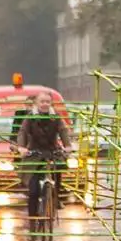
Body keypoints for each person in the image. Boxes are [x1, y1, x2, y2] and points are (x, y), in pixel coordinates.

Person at [16, 92, 72, 230]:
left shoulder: (55, 117)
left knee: (58, 171)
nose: (45, 104)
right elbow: (22, 132)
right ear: (36, 103)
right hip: (35, 153)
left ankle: (55, 198)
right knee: (34, 190)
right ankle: (33, 221)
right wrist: (22, 147)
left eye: (48, 101)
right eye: (42, 101)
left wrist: (68, 146)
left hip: (52, 152)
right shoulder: (30, 118)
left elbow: (63, 131)